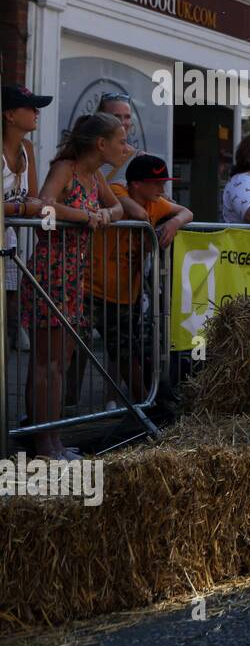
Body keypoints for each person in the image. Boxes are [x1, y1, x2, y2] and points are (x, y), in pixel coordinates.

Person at [23, 113, 129, 459]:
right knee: (47, 363)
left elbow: (116, 207)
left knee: (60, 361)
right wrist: (86, 216)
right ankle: (43, 444)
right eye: (120, 140)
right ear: (101, 144)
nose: (124, 147)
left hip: (74, 273)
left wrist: (104, 215)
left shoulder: (95, 175)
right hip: (52, 270)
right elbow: (44, 209)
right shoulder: (66, 169)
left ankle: (52, 441)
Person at [86, 154, 193, 403]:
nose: (162, 189)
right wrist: (144, 218)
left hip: (125, 294)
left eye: (164, 183)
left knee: (127, 354)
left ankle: (143, 404)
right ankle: (62, 407)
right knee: (71, 352)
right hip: (91, 286)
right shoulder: (116, 189)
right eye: (156, 183)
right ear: (136, 184)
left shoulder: (157, 202)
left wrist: (175, 222)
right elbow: (129, 207)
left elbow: (187, 211)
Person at [3, 86, 44, 350]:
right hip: (7, 232)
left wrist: (22, 208)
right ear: (9, 114)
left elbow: (37, 199)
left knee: (8, 305)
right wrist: (21, 209)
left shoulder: (27, 147)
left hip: (7, 237)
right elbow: (30, 205)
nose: (37, 112)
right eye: (30, 107)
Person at [97, 93, 137, 185]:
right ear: (100, 118)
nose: (122, 122)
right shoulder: (89, 155)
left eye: (127, 117)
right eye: (116, 117)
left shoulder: (137, 158)